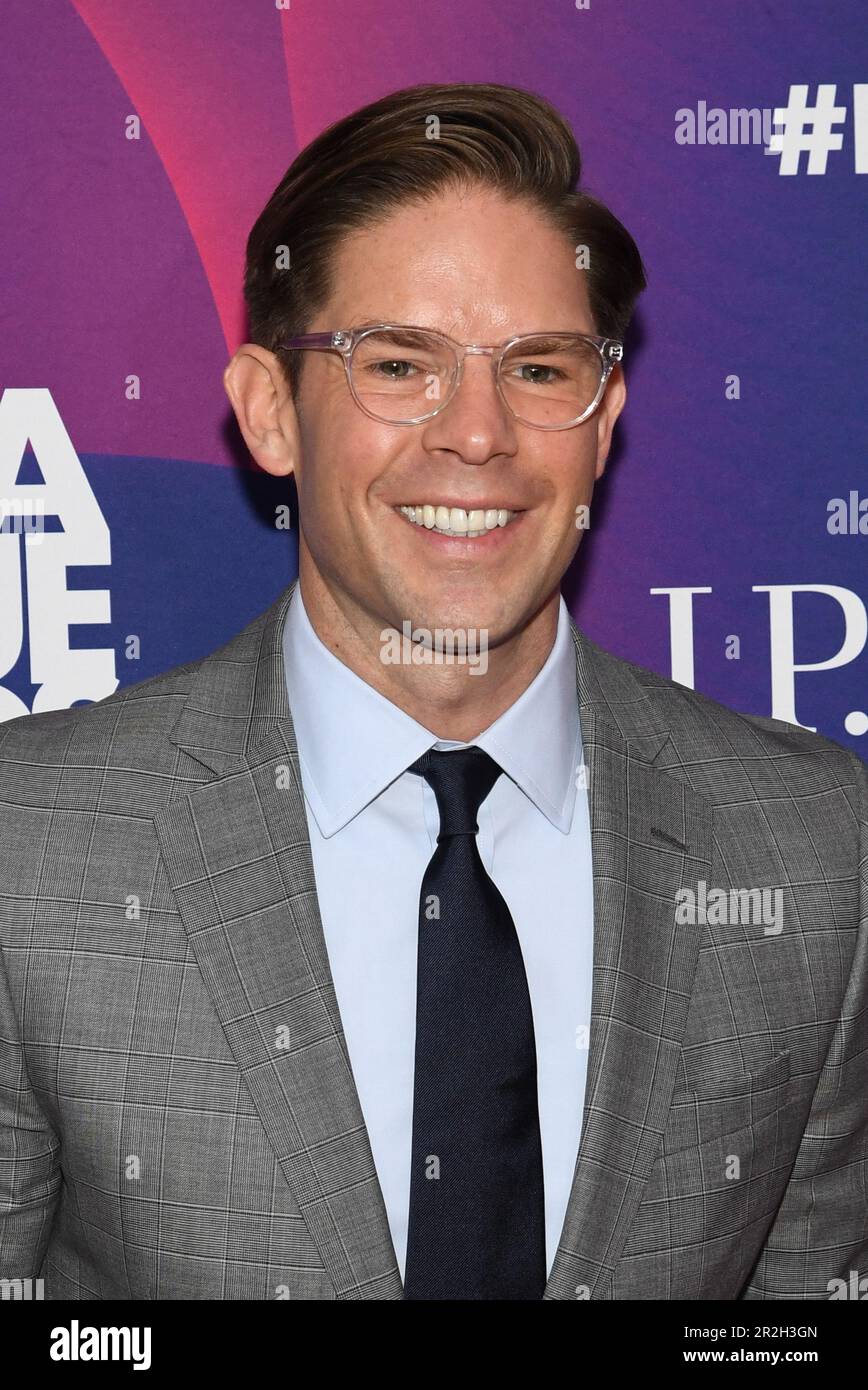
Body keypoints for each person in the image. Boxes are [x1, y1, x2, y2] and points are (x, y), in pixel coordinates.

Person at [0, 83, 865, 1301]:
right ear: (269, 411)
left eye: (539, 368)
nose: (477, 433)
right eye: (398, 363)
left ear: (602, 420)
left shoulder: (814, 850)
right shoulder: (31, 846)